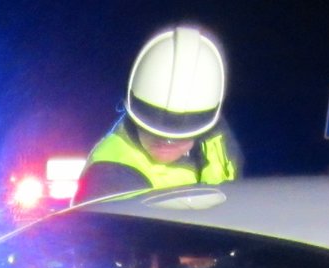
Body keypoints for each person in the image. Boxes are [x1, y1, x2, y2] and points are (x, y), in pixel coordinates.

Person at [75, 25, 240, 203]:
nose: (166, 142)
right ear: (132, 110)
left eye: (181, 135)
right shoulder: (110, 176)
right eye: (154, 129)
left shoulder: (216, 136)